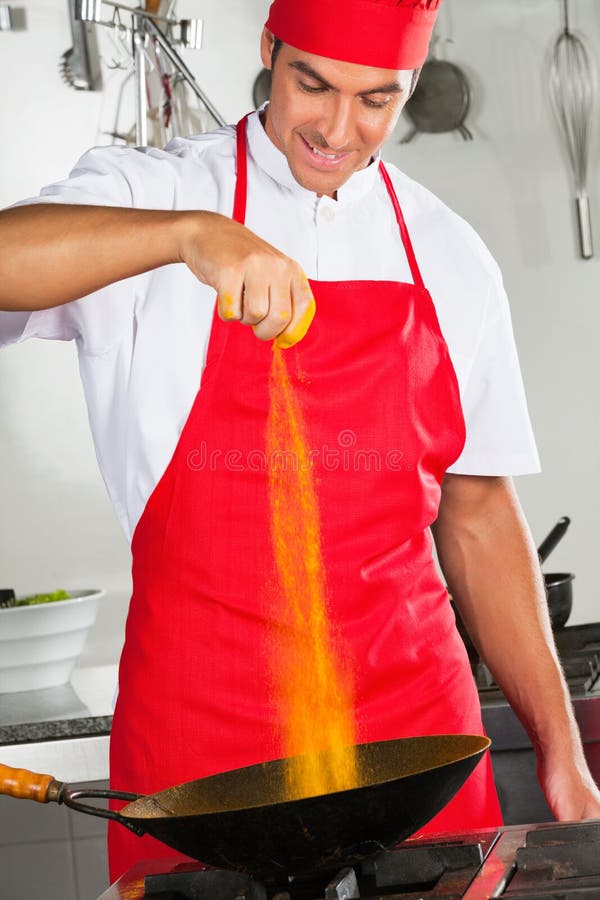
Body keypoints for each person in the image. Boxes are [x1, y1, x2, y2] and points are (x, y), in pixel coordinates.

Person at [1, 0, 599, 881]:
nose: (337, 129)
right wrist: (188, 238)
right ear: (270, 49)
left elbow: (476, 515)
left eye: (376, 100)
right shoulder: (158, 192)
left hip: (415, 740)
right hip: (207, 740)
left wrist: (561, 746)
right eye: (313, 85)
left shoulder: (450, 252)